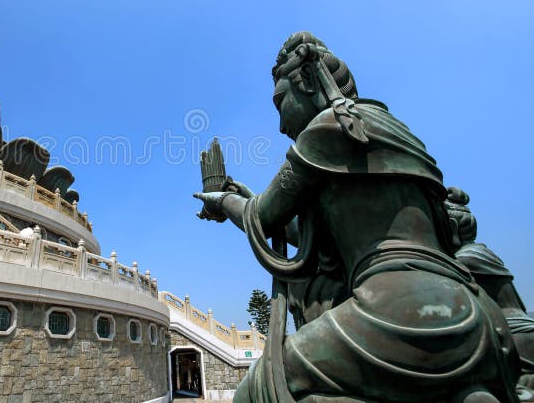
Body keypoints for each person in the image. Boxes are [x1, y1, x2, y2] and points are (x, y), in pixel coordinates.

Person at [194, 32, 520, 402]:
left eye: (281, 102)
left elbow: (264, 217)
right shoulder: (387, 124)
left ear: (309, 81)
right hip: (479, 315)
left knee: (255, 391)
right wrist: (248, 197)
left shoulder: (327, 129)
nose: (281, 125)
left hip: (398, 312)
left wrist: (221, 202)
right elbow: (309, 230)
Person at [446, 187, 534, 393]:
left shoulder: (465, 259)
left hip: (513, 335)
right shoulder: (481, 252)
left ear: (450, 228)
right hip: (520, 329)